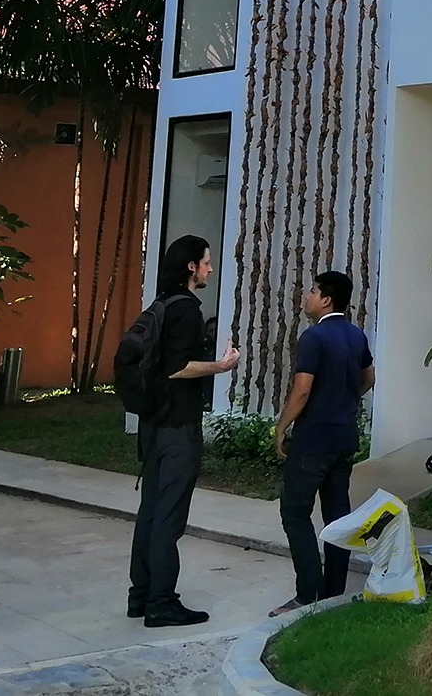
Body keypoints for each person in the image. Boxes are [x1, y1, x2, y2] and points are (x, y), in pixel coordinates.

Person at [129, 234, 239, 627]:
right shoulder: (187, 310)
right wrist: (220, 367)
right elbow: (176, 367)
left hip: (154, 425)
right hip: (178, 427)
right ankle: (161, 602)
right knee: (168, 518)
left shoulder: (161, 303)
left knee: (151, 511)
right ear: (191, 267)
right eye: (206, 262)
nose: (210, 268)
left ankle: (140, 595)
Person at [268, 269, 374, 614]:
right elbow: (369, 376)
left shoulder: (314, 338)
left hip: (313, 439)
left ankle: (308, 592)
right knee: (337, 515)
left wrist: (282, 426)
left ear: (326, 299)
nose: (306, 296)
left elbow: (302, 389)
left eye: (312, 291)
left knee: (295, 512)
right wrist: (345, 399)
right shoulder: (356, 336)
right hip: (344, 437)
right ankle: (334, 591)